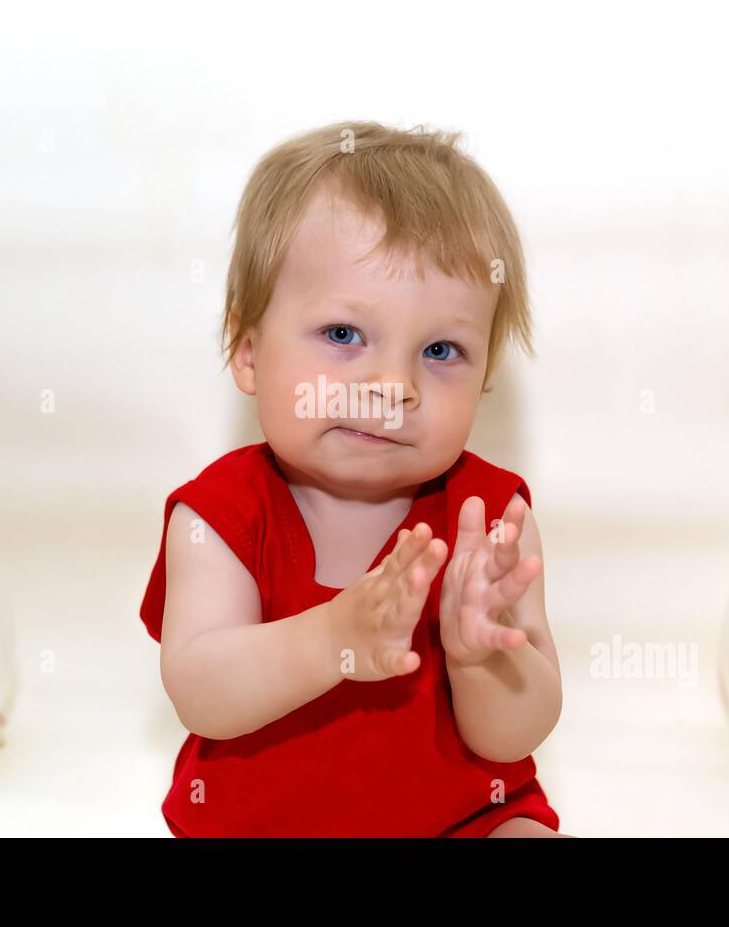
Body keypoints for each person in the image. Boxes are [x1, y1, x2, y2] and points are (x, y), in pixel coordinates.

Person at [139, 121, 567, 837]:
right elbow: (202, 694)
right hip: (259, 823)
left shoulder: (488, 518)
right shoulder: (216, 518)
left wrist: (478, 658)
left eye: (440, 349)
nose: (392, 385)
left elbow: (513, 738)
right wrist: (333, 637)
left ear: (485, 375)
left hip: (458, 818)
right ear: (248, 352)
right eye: (343, 335)